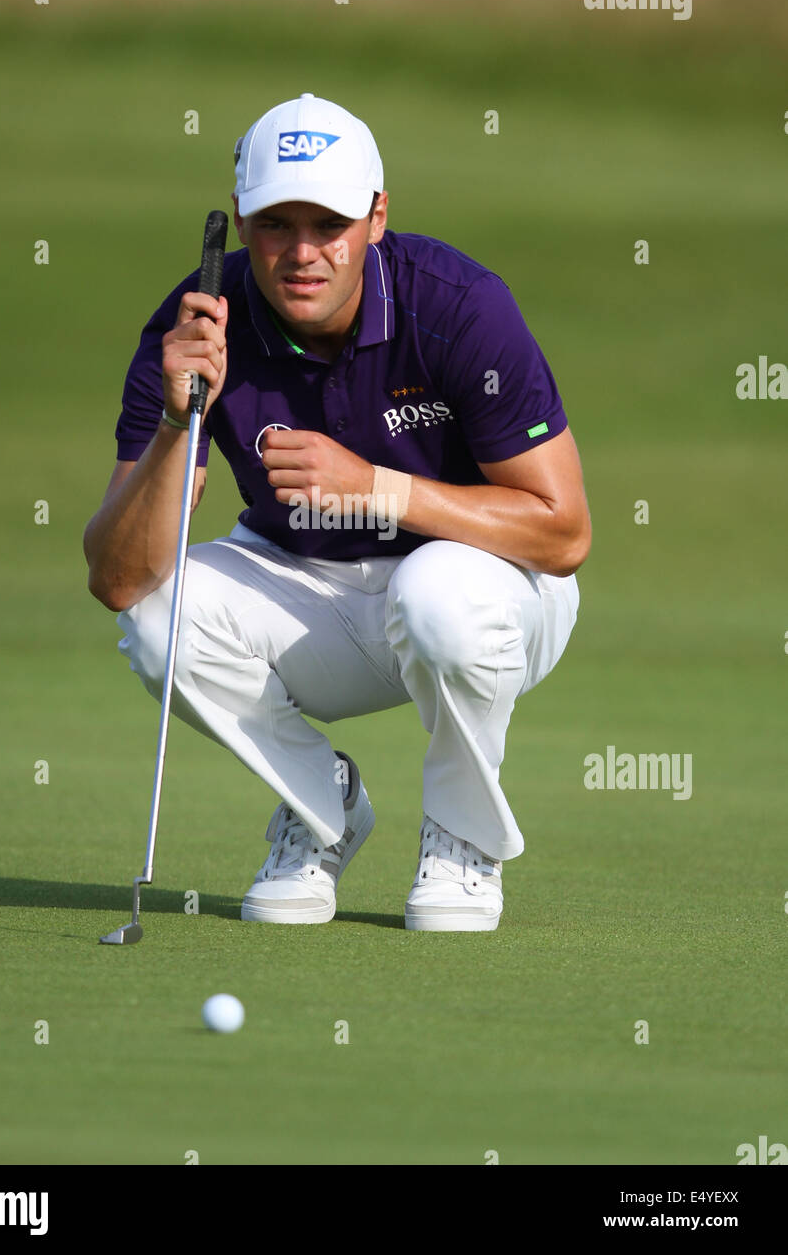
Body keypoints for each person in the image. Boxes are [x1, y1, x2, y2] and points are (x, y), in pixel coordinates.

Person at [83, 93, 591, 932]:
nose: (303, 252)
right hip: (303, 587)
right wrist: (179, 420)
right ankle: (321, 810)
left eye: (330, 223)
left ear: (376, 217)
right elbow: (116, 576)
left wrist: (376, 487)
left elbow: (563, 532)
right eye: (277, 223)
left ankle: (463, 840)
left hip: (491, 597)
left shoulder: (457, 304)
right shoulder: (196, 327)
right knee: (155, 615)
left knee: (438, 594)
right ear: (241, 222)